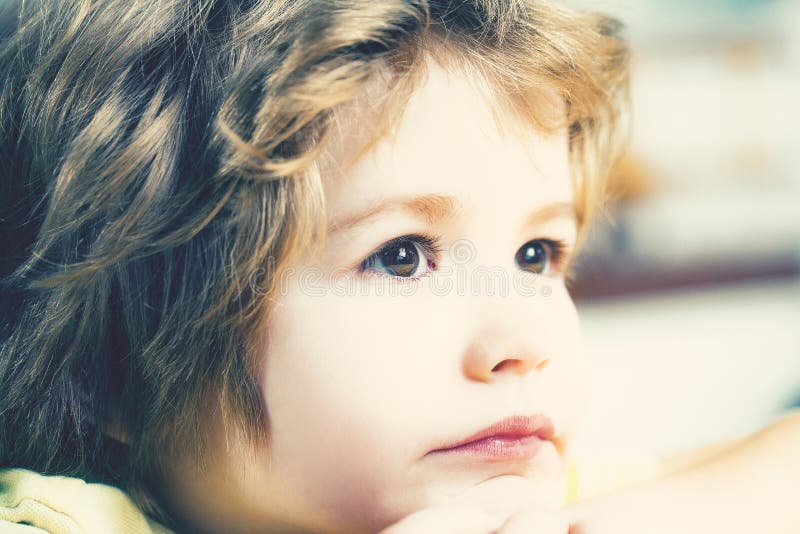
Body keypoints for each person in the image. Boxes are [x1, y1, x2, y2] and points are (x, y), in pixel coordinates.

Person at [1, 1, 798, 533]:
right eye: (402, 257)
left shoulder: (513, 492)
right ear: (120, 362)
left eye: (536, 254)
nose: (523, 340)